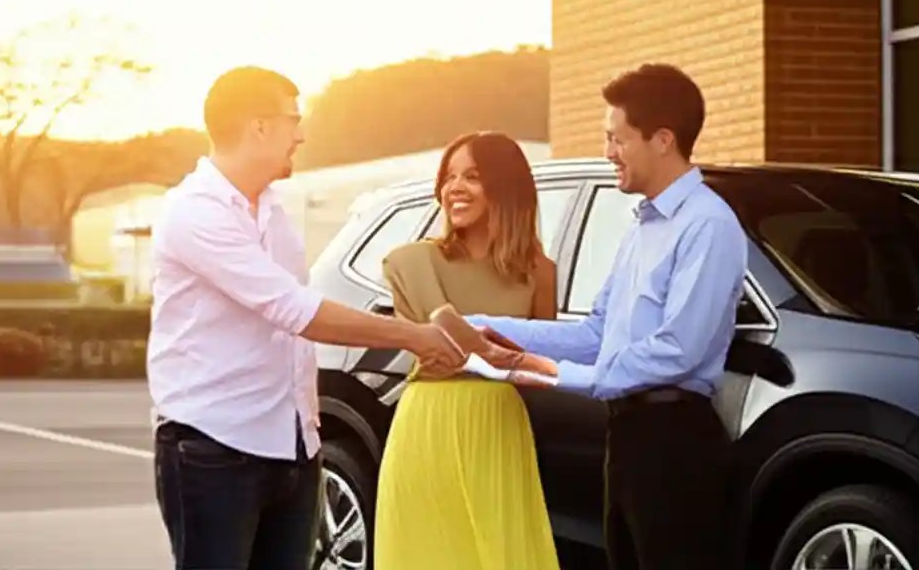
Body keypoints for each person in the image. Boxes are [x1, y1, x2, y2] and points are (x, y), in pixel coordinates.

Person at [147, 66, 468, 570]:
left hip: (292, 444)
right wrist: (414, 336)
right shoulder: (194, 213)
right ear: (258, 126)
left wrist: (309, 439)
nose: (300, 134)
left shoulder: (272, 209)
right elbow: (295, 311)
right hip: (214, 450)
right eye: (292, 120)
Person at [466, 63, 748, 570]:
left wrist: (558, 374)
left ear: (663, 140)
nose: (608, 153)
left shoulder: (708, 225)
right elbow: (596, 332)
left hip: (677, 443)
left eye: (617, 139)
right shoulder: (643, 228)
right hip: (629, 438)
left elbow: (678, 350)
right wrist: (487, 326)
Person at [373, 131, 561, 570]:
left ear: (506, 186)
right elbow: (448, 330)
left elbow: (536, 369)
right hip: (428, 427)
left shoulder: (540, 272)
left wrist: (504, 358)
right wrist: (495, 353)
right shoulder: (412, 260)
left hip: (499, 429)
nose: (453, 187)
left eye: (472, 176)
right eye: (449, 177)